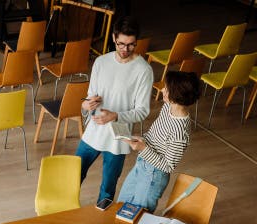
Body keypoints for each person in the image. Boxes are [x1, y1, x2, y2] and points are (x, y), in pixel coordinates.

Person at [77, 16, 154, 205]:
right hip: (93, 132)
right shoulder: (101, 62)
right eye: (121, 44)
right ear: (113, 38)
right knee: (72, 177)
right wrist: (85, 105)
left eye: (131, 45)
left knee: (107, 189)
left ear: (136, 42)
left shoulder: (144, 71)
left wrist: (116, 116)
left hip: (118, 138)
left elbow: (143, 111)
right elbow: (90, 96)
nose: (125, 50)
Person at [116, 71, 201, 211]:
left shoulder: (179, 132)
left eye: (166, 89)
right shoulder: (168, 107)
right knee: (120, 206)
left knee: (137, 215)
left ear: (176, 95)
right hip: (141, 164)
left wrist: (143, 148)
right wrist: (142, 139)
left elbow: (168, 166)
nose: (162, 90)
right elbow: (156, 134)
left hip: (153, 176)